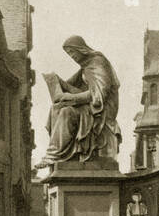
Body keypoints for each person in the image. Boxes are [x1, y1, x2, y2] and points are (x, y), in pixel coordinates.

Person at [38, 36, 121, 170]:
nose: (72, 56)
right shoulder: (85, 66)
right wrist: (56, 82)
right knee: (56, 108)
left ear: (81, 49)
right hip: (89, 106)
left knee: (67, 112)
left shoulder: (98, 62)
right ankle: (59, 154)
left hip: (101, 111)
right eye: (68, 54)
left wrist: (72, 98)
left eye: (72, 52)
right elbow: (71, 87)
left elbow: (99, 95)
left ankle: (53, 155)